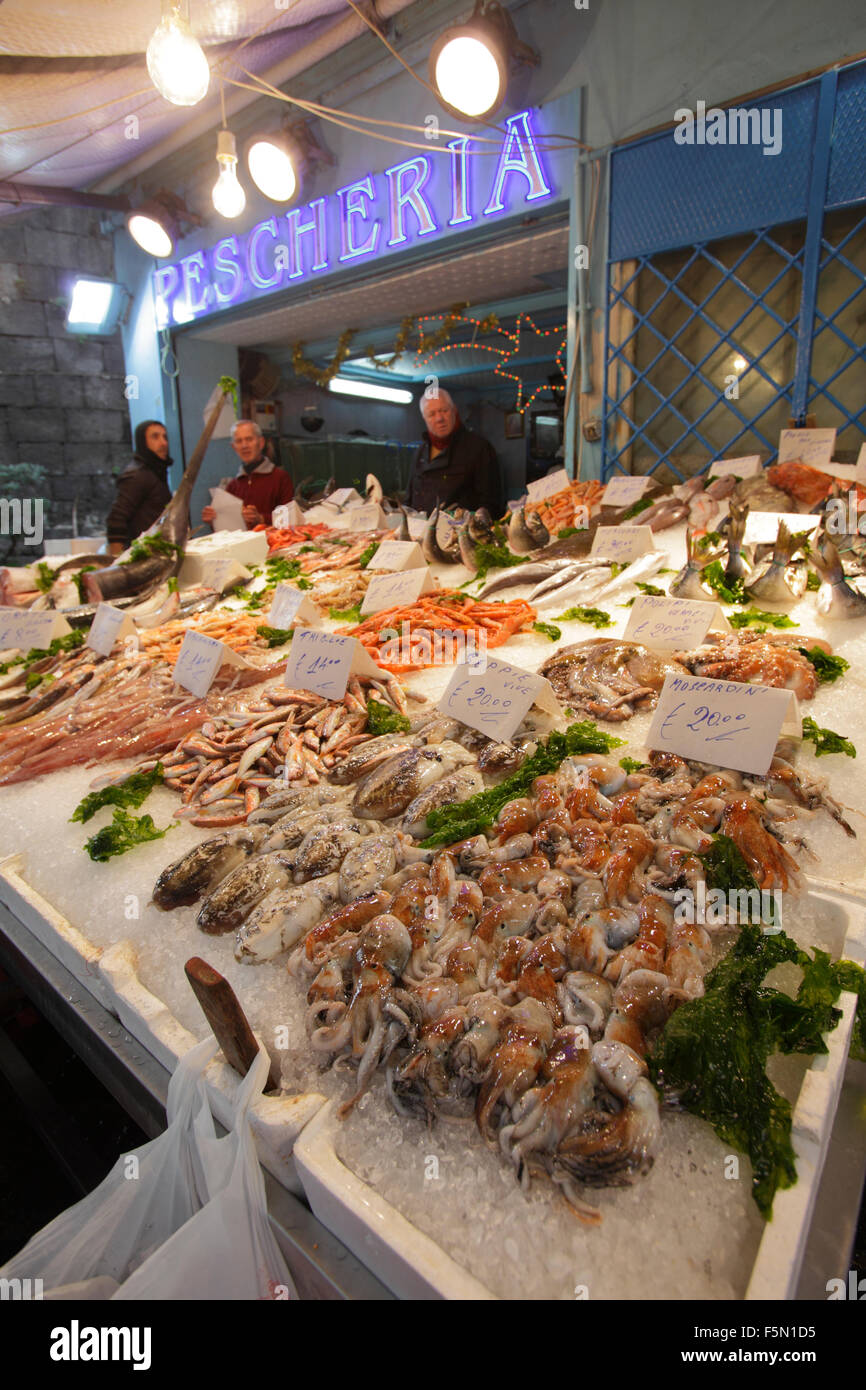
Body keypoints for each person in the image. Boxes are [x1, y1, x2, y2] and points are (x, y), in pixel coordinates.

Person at [406, 388, 502, 516]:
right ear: (425, 418)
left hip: (460, 533)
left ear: (454, 410)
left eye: (444, 411)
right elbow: (408, 501)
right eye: (432, 414)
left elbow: (492, 503)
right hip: (418, 532)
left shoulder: (479, 448)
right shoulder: (419, 453)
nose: (439, 418)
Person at [201, 420, 293, 529]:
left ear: (261, 443)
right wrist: (214, 520)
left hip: (273, 543)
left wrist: (261, 519)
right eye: (239, 441)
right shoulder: (232, 487)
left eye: (249, 439)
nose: (244, 445)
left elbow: (290, 519)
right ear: (234, 447)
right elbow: (228, 530)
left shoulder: (280, 478)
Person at [106, 420, 173, 556]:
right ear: (143, 442)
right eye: (155, 437)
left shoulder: (156, 471)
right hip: (139, 555)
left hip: (156, 552)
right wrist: (117, 562)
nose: (163, 443)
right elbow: (116, 519)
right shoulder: (137, 475)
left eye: (165, 437)